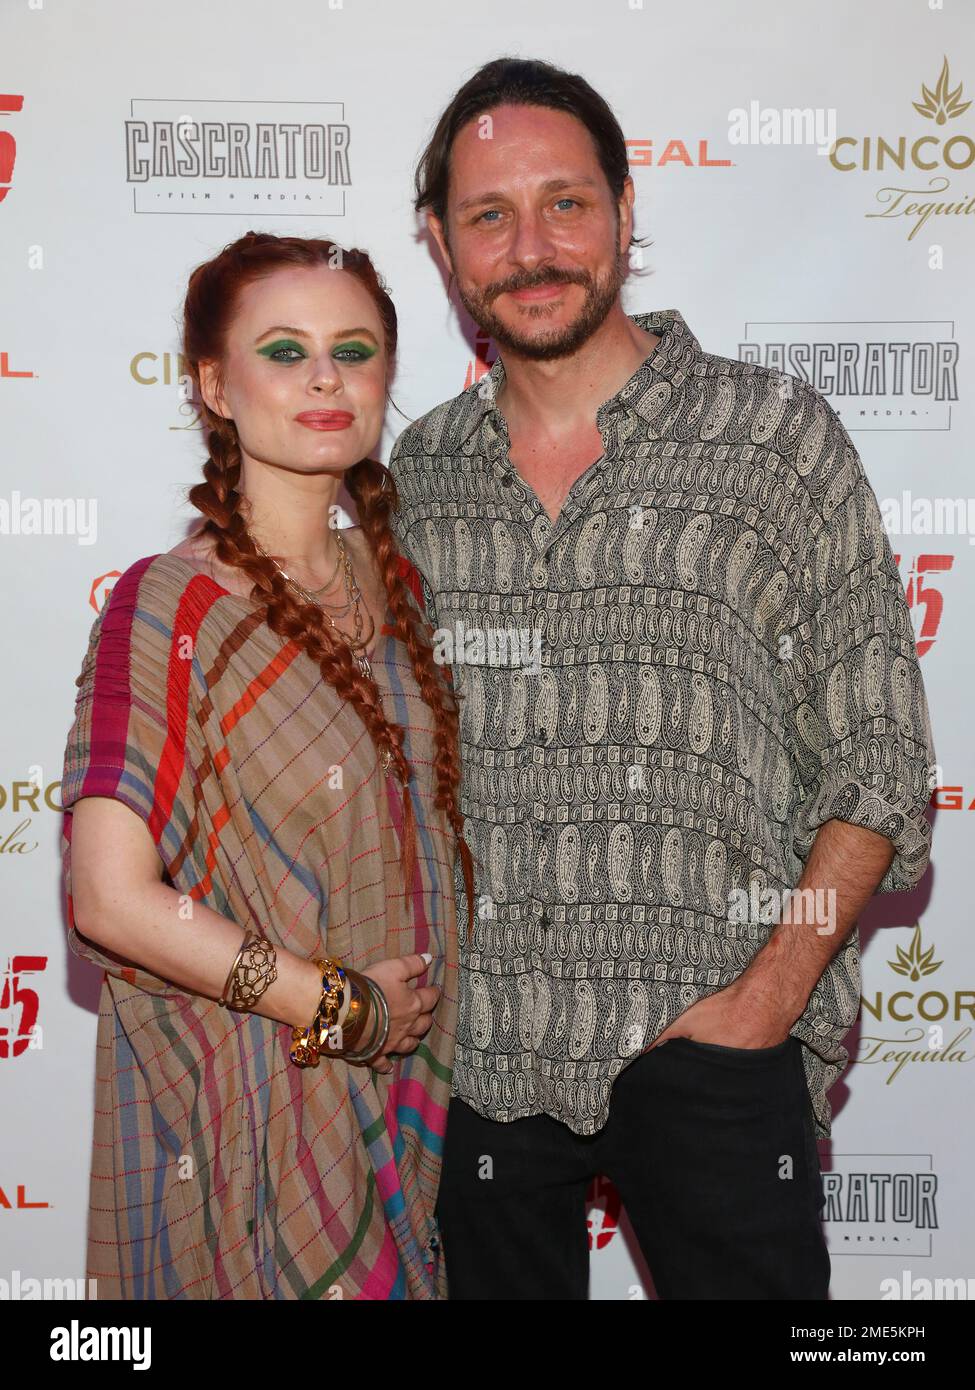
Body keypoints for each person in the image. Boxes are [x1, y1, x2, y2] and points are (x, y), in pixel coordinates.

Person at [386, 57, 937, 1299]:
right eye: (489, 215)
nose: (532, 247)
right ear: (442, 244)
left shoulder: (774, 436)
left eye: (566, 203)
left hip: (717, 1043)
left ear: (628, 214)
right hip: (483, 1063)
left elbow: (881, 758)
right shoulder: (416, 481)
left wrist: (771, 993)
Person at [60, 231, 473, 1300]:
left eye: (357, 349)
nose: (326, 376)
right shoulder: (172, 607)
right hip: (250, 1117)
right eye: (285, 350)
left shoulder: (406, 599)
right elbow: (108, 898)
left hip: (412, 1122)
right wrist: (334, 1005)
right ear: (214, 385)